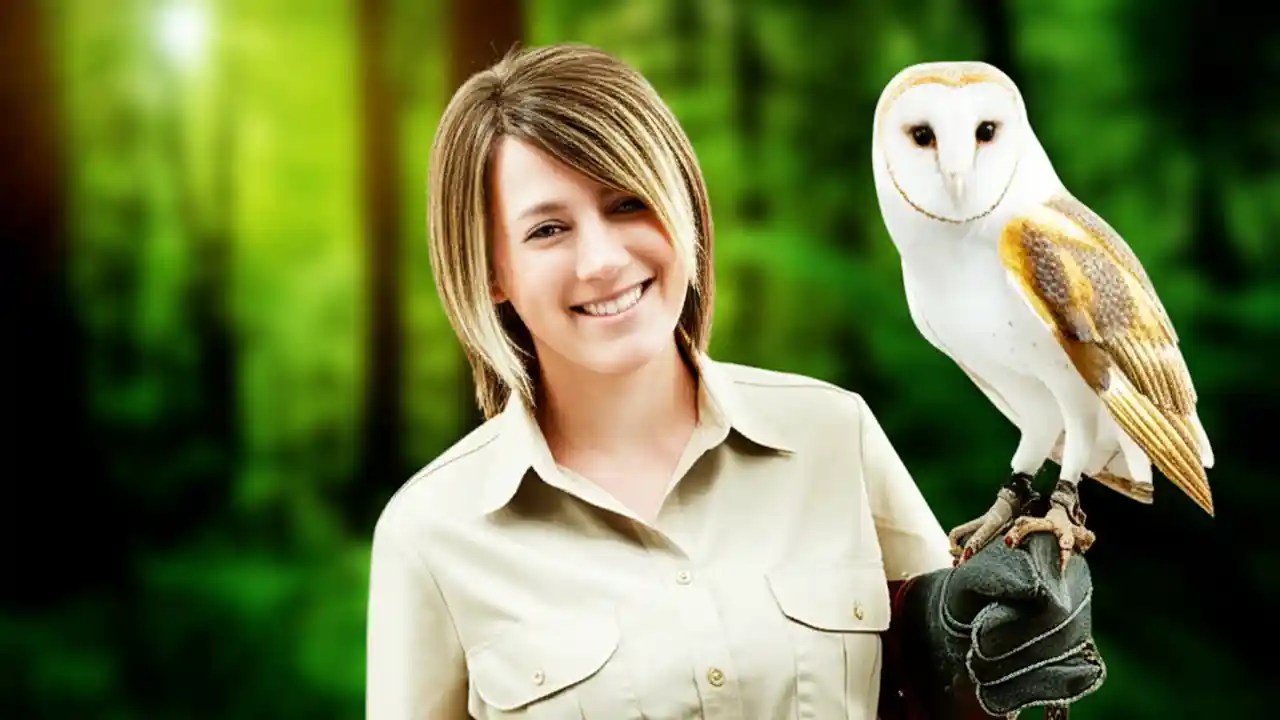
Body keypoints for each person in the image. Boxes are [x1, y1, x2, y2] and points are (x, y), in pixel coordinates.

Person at [365, 42, 1106, 719]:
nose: (602, 260)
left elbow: (941, 684)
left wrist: (988, 653)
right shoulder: (431, 534)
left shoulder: (832, 434)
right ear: (492, 270)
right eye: (547, 230)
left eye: (628, 203)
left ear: (684, 203)